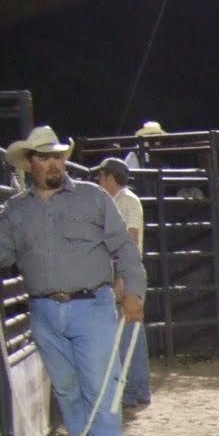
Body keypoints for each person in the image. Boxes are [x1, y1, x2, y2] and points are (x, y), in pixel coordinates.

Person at [0, 127, 146, 436]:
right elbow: (4, 256)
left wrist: (134, 291)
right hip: (44, 310)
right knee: (69, 392)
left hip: (91, 305)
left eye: (58, 155)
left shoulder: (92, 199)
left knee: (101, 390)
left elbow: (123, 247)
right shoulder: (16, 210)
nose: (54, 163)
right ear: (30, 164)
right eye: (45, 157)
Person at [92, 157, 152, 412]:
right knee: (132, 334)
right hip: (129, 273)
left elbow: (130, 239)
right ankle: (139, 389)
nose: (98, 181)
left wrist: (121, 276)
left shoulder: (124, 202)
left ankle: (129, 391)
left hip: (125, 274)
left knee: (125, 336)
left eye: (101, 176)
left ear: (109, 177)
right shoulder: (124, 201)